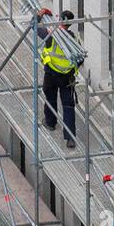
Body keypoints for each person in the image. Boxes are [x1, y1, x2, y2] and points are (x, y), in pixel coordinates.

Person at [37, 8, 80, 149]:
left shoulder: (52, 35)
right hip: (67, 77)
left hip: (51, 74)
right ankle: (70, 139)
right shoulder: (74, 38)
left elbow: (34, 26)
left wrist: (40, 14)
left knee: (50, 99)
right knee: (68, 106)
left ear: (60, 20)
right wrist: (71, 70)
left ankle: (50, 122)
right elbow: (79, 59)